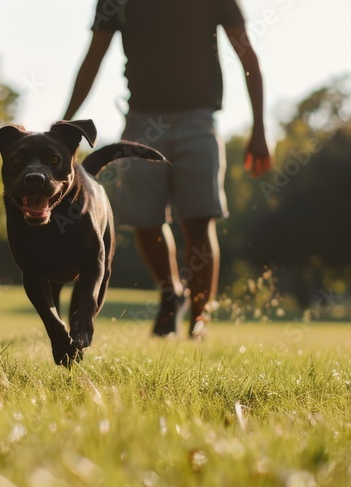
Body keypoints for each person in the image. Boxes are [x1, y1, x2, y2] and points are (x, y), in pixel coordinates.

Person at [63, 0, 271, 339]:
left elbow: (247, 55)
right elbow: (94, 58)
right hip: (142, 120)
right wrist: (67, 123)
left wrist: (259, 129)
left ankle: (199, 319)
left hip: (198, 120)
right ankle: (170, 293)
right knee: (145, 220)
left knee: (199, 219)